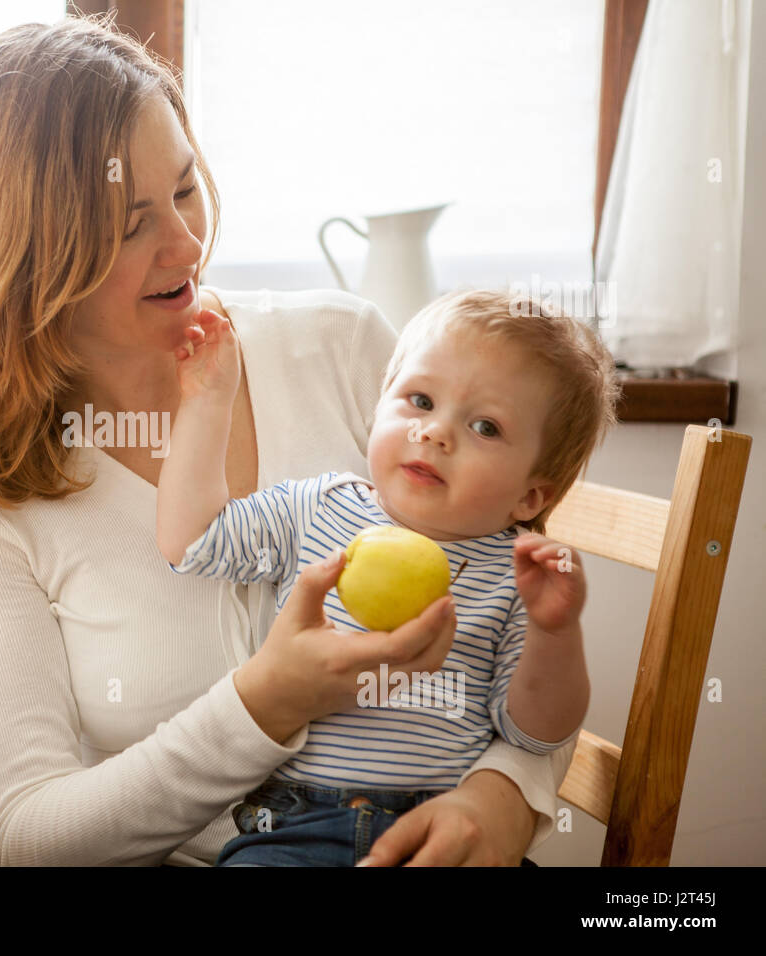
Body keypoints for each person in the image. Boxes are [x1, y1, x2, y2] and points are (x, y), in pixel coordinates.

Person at [0, 12, 579, 866]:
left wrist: (501, 797)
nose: (188, 243)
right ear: (23, 263)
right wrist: (262, 704)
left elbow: (519, 623)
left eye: (187, 189)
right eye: (130, 224)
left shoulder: (349, 355)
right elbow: (26, 833)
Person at [156, 290, 621, 866]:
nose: (435, 432)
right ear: (378, 408)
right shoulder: (319, 508)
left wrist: (555, 634)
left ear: (531, 494)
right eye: (420, 400)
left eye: (485, 427)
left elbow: (536, 737)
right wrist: (207, 403)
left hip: (443, 831)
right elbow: (195, 541)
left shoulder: (518, 576)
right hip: (294, 827)